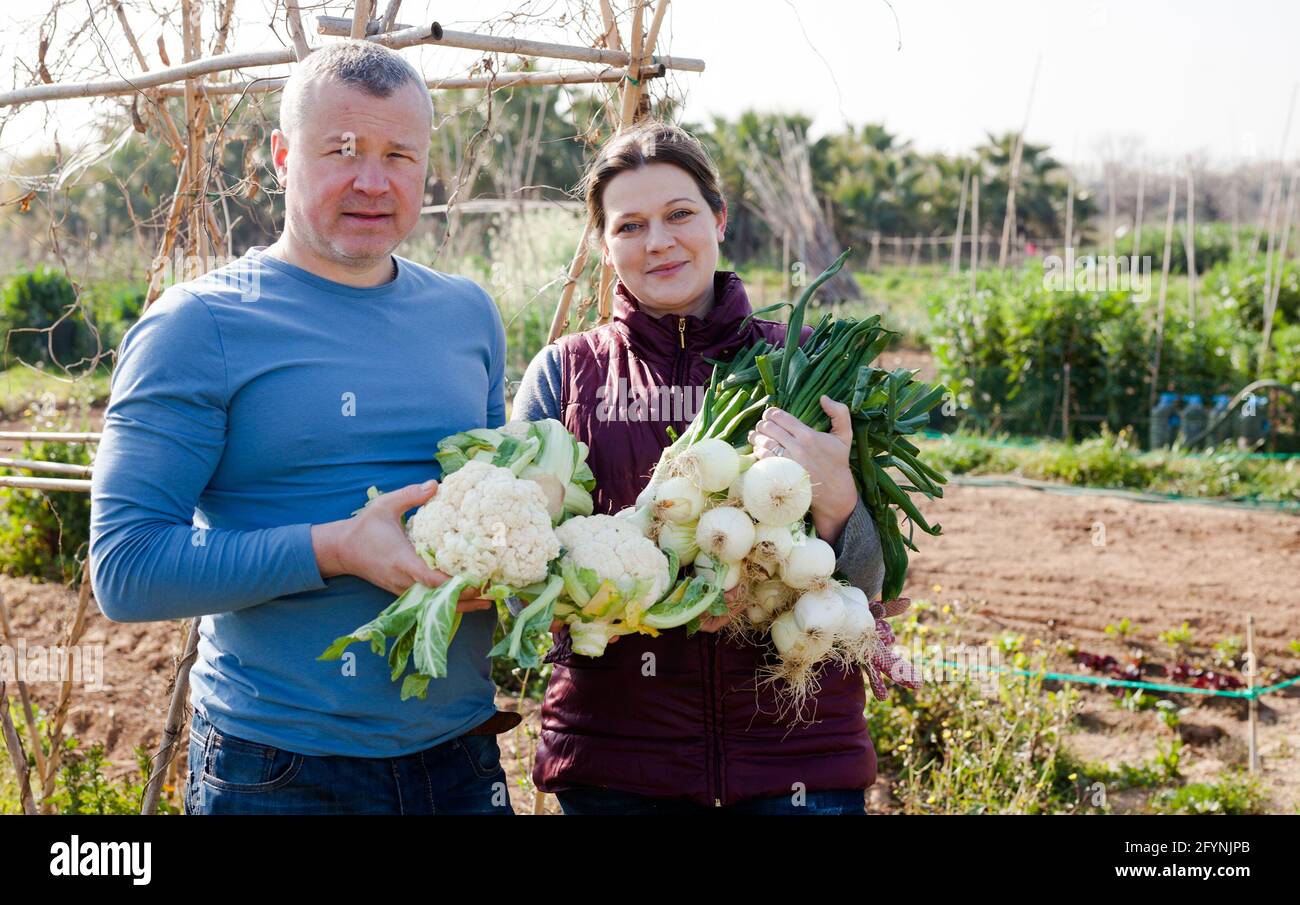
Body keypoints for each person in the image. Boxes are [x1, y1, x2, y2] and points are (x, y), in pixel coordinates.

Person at [89, 40, 516, 815]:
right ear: (282, 155)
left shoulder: (468, 314)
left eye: (400, 155)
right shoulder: (200, 325)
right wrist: (337, 548)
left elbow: (491, 493)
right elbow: (126, 568)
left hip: (461, 757)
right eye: (343, 151)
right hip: (282, 767)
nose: (373, 181)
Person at [512, 121, 887, 814]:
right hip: (618, 767)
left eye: (679, 214)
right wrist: (633, 597)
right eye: (630, 225)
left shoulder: (808, 363)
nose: (658, 241)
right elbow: (519, 582)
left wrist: (838, 504)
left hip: (798, 761)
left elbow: (876, 582)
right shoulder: (564, 374)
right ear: (602, 243)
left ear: (719, 217)